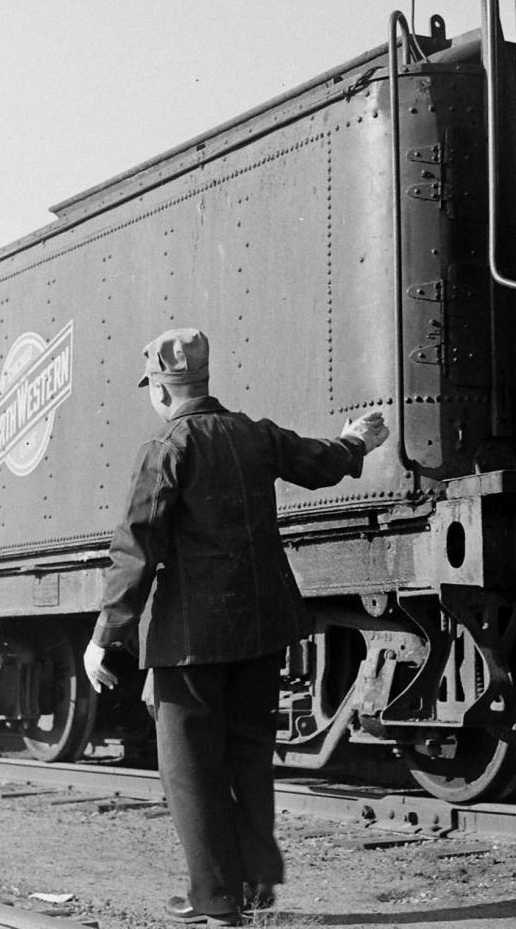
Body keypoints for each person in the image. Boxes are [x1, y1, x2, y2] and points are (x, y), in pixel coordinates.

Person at [83, 327, 389, 927]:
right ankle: (251, 888)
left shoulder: (167, 447)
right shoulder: (253, 434)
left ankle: (218, 902)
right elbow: (320, 463)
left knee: (191, 768)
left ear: (163, 389)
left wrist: (104, 636)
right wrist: (357, 442)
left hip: (190, 638)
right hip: (259, 629)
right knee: (248, 755)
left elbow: (135, 551)